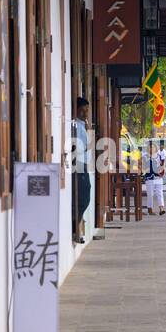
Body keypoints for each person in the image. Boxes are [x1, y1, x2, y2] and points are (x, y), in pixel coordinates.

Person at [72, 97, 91, 243]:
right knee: (83, 198)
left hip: (83, 164)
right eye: (82, 110)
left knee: (85, 196)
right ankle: (75, 228)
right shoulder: (75, 126)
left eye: (87, 110)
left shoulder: (82, 125)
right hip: (78, 164)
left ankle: (77, 227)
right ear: (76, 110)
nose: (85, 113)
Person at [145, 140, 166, 216]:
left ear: (155, 148)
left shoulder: (159, 156)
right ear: (148, 148)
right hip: (149, 178)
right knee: (150, 194)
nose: (151, 148)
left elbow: (162, 165)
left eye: (153, 147)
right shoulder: (145, 156)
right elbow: (144, 167)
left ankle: (161, 209)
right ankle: (150, 209)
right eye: (150, 147)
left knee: (160, 193)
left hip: (158, 177)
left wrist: (162, 170)